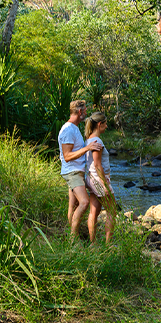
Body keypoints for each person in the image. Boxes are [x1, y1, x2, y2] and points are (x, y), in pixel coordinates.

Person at [58, 100, 102, 240]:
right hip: (72, 172)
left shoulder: (74, 128)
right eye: (85, 111)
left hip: (76, 171)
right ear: (79, 112)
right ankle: (73, 239)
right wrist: (87, 148)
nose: (86, 113)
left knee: (73, 204)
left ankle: (72, 238)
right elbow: (67, 156)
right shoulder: (68, 130)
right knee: (84, 202)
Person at [84, 111, 117, 244]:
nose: (107, 126)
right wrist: (105, 184)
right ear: (99, 124)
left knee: (94, 211)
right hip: (98, 179)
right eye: (105, 123)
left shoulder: (89, 139)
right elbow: (97, 165)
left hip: (91, 179)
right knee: (112, 210)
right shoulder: (97, 141)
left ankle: (93, 244)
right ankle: (108, 244)